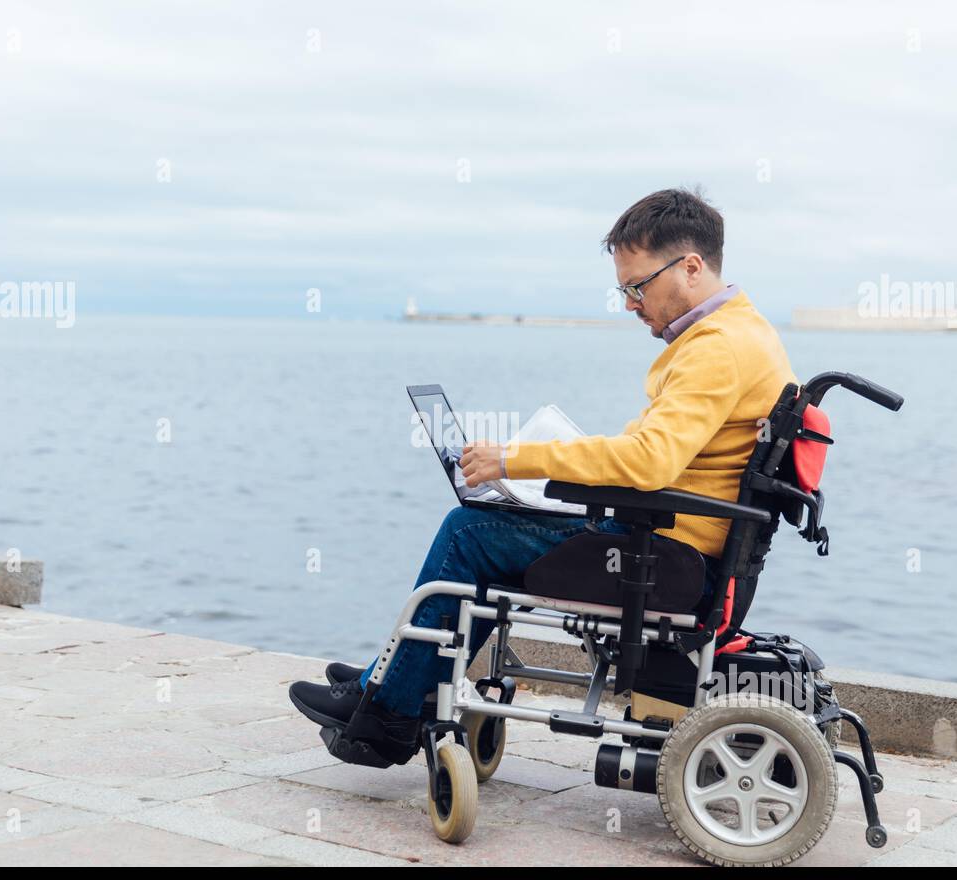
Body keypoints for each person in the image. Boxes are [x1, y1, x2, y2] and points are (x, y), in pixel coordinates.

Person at [288, 187, 796, 761]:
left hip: (671, 563)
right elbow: (658, 453)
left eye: (637, 286)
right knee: (489, 522)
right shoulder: (742, 331)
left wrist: (514, 460)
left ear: (691, 267)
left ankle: (388, 717)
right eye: (623, 289)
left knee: (469, 532)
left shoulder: (717, 348)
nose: (630, 302)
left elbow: (650, 460)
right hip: (679, 547)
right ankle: (394, 683)